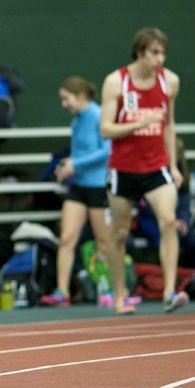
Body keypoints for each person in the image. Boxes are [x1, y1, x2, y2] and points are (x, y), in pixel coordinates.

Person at [100, 27, 188, 315]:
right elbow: (105, 129)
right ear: (140, 52)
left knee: (167, 221)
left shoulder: (170, 82)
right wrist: (136, 125)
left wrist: (173, 165)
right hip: (123, 169)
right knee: (120, 233)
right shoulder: (116, 82)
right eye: (154, 53)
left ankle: (169, 292)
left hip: (156, 165)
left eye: (163, 53)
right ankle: (120, 295)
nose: (160, 59)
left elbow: (170, 124)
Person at [40, 77, 112, 307]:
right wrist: (67, 166)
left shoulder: (99, 115)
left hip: (98, 187)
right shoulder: (76, 121)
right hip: (77, 187)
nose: (63, 104)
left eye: (66, 98)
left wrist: (77, 164)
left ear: (80, 96)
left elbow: (107, 151)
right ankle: (62, 291)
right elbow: (78, 153)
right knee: (67, 238)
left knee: (104, 241)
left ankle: (109, 288)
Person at [134, 138, 195, 270]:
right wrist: (169, 219)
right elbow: (146, 205)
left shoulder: (180, 173)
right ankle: (160, 280)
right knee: (164, 241)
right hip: (152, 219)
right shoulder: (150, 170)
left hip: (176, 219)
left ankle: (187, 280)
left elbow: (184, 201)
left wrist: (182, 221)